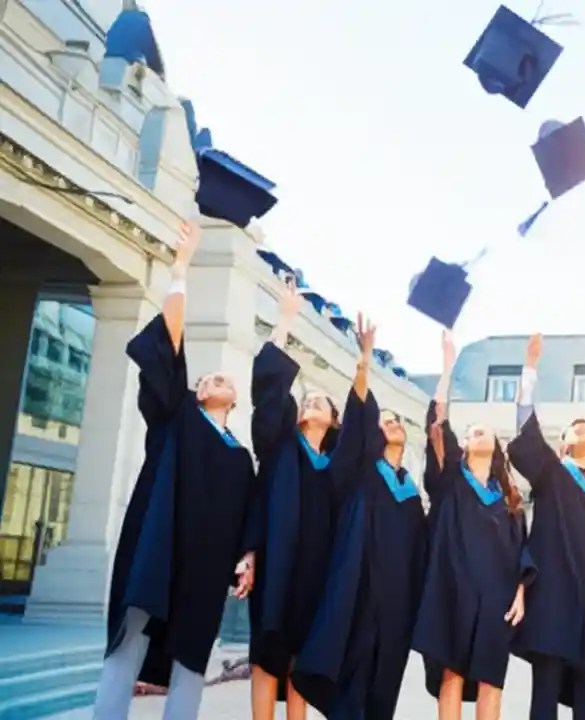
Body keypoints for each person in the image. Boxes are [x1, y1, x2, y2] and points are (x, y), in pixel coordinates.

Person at [93, 219, 258, 720]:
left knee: (192, 652)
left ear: (235, 398)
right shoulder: (176, 415)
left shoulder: (239, 455)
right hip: (158, 543)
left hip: (205, 563)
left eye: (222, 376)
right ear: (197, 392)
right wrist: (181, 268)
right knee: (132, 639)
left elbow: (250, 513)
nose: (215, 377)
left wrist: (248, 556)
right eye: (206, 377)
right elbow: (171, 340)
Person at [291, 316, 429, 720]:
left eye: (398, 420)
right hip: (360, 592)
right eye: (385, 420)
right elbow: (357, 423)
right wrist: (364, 360)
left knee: (386, 687)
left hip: (398, 602)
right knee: (353, 687)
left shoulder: (410, 492)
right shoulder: (360, 472)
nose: (394, 424)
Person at [248, 276, 366, 720]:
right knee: (267, 648)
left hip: (317, 569)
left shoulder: (336, 467)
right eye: (308, 399)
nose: (312, 403)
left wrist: (364, 361)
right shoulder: (280, 444)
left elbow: (361, 437)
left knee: (301, 654)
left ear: (335, 420)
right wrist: (285, 321)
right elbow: (268, 391)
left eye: (322, 401)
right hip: (278, 560)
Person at [507, 334, 585, 720]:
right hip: (550, 599)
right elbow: (525, 433)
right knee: (545, 689)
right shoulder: (551, 475)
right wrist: (529, 369)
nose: (584, 430)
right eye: (575, 427)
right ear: (561, 444)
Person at [413, 330, 537, 720]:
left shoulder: (510, 501)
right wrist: (447, 368)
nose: (474, 434)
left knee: (490, 679)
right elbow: (436, 422)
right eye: (470, 433)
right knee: (451, 673)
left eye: (482, 430)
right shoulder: (451, 482)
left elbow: (523, 552)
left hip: (496, 597)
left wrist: (520, 593)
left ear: (498, 444)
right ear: (462, 447)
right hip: (451, 588)